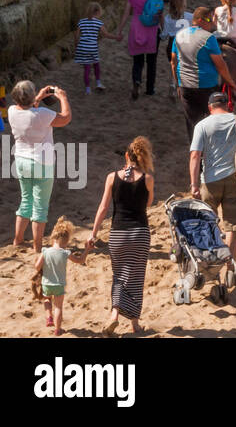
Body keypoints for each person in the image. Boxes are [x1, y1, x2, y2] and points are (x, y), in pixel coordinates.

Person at [86, 136, 153, 336]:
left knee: (119, 276)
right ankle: (134, 323)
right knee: (136, 277)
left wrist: (93, 233)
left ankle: (114, 314)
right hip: (139, 233)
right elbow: (148, 204)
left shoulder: (111, 177)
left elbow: (103, 207)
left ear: (126, 156)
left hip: (118, 234)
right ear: (143, 157)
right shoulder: (148, 179)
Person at [189, 91, 236, 265]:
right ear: (227, 105)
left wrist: (194, 184)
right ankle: (231, 265)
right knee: (232, 227)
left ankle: (212, 260)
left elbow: (195, 156)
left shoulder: (202, 126)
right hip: (235, 179)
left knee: (208, 223)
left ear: (210, 107)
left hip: (210, 181)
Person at [9, 82, 72, 253]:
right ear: (30, 97)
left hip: (21, 160)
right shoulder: (43, 114)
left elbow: (28, 109)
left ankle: (18, 239)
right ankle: (37, 247)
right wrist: (63, 97)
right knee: (40, 206)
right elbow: (65, 118)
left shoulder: (12, 111)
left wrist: (38, 97)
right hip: (41, 163)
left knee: (25, 200)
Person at [172, 7, 236, 141]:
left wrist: (177, 84)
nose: (212, 24)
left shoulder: (179, 36)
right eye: (209, 20)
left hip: (185, 86)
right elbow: (221, 65)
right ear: (200, 20)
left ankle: (196, 154)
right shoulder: (209, 38)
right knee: (211, 123)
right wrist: (231, 83)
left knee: (193, 125)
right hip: (206, 86)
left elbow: (173, 62)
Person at [32, 217, 83, 336]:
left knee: (46, 299)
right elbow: (80, 260)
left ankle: (48, 316)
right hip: (59, 285)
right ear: (66, 241)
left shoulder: (45, 251)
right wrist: (87, 251)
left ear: (53, 238)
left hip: (46, 284)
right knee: (58, 307)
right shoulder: (66, 253)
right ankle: (58, 329)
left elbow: (37, 267)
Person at [117, 0, 161, 100]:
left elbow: (126, 14)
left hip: (137, 28)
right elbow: (159, 13)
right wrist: (163, 27)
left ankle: (137, 81)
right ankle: (150, 89)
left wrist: (120, 29)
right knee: (152, 61)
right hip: (152, 29)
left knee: (138, 60)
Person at [75, 2, 120, 95]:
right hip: (92, 47)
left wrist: (77, 46)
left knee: (86, 68)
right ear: (98, 12)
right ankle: (98, 83)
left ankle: (88, 89)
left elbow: (76, 36)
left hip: (82, 47)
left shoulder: (81, 22)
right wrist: (116, 37)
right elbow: (106, 34)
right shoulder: (99, 23)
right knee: (96, 65)